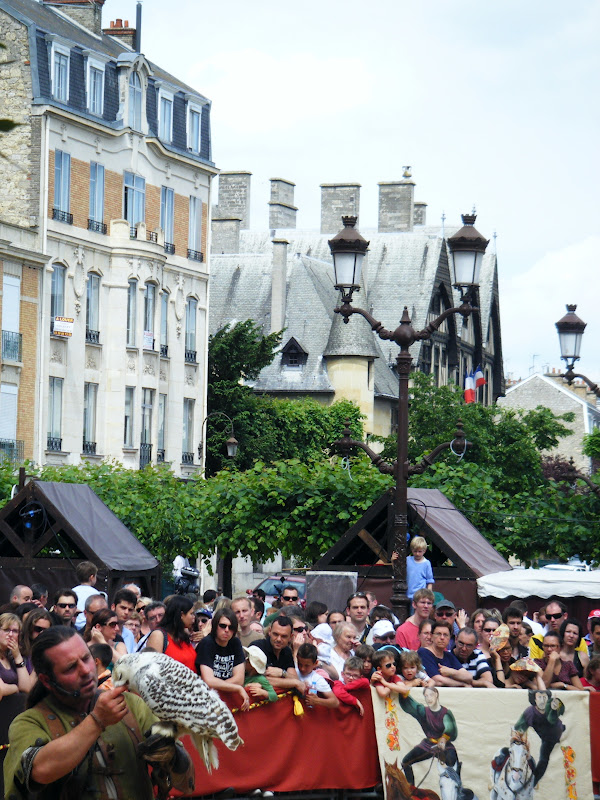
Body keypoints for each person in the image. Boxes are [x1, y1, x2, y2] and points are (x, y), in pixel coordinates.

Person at [4, 626, 194, 800]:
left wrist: (171, 754)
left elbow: (185, 782)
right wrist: (97, 721)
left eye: (87, 658)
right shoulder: (29, 721)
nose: (86, 670)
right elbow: (39, 770)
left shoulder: (131, 705)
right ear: (46, 681)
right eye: (71, 667)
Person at [399, 686, 458, 786]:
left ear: (436, 695)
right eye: (426, 696)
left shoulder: (446, 713)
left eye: (431, 695)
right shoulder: (423, 711)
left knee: (453, 764)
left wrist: (443, 739)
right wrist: (403, 693)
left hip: (445, 745)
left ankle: (458, 791)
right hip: (428, 744)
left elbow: (449, 726)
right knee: (405, 762)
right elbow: (412, 705)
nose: (429, 698)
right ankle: (411, 789)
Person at [195, 608, 250, 710]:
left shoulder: (235, 643)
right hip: (205, 701)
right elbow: (209, 680)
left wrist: (219, 686)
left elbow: (239, 679)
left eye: (231, 627)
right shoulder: (207, 643)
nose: (227, 630)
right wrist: (236, 688)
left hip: (225, 699)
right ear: (215, 626)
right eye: (222, 626)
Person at [514, 689, 565, 785]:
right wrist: (518, 736)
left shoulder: (551, 708)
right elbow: (519, 727)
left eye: (544, 698)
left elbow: (552, 719)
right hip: (541, 735)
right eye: (539, 697)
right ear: (534, 699)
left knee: (543, 759)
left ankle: (532, 783)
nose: (542, 700)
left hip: (553, 735)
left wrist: (554, 709)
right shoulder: (530, 712)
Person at [252, 616, 306, 694]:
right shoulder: (258, 647)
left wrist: (282, 673)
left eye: (284, 636)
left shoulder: (287, 651)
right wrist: (294, 683)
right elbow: (262, 680)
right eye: (275, 634)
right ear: (270, 631)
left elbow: (295, 677)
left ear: (291, 637)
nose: (278, 639)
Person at [146, 596, 197, 671]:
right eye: (191, 613)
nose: (194, 617)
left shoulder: (184, 635)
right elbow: (151, 669)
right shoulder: (158, 635)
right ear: (181, 615)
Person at [417, 620, 471, 687]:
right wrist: (462, 684)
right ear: (431, 636)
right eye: (438, 634)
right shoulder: (424, 652)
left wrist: (451, 672)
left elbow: (468, 677)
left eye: (445, 635)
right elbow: (437, 680)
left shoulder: (448, 655)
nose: (442, 638)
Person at [296, 643, 339, 709]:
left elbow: (335, 702)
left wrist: (317, 701)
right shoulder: (293, 671)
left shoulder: (317, 679)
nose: (302, 668)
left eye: (307, 665)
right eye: (300, 664)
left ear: (315, 663)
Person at [0, 613, 35, 694]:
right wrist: (15, 688)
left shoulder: (10, 657)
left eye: (15, 631)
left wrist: (17, 656)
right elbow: (1, 689)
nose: (10, 635)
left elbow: (26, 688)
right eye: (6, 630)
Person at [19, 609, 53, 673]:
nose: (41, 633)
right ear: (29, 628)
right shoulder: (18, 651)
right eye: (38, 629)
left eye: (45, 631)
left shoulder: (52, 653)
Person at [72, 561, 100, 629]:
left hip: (73, 624)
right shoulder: (95, 594)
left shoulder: (72, 591)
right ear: (92, 577)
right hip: (88, 626)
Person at [111, 589, 137, 653]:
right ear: (113, 607)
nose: (126, 612)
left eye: (130, 610)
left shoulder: (129, 634)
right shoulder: (104, 630)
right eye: (123, 608)